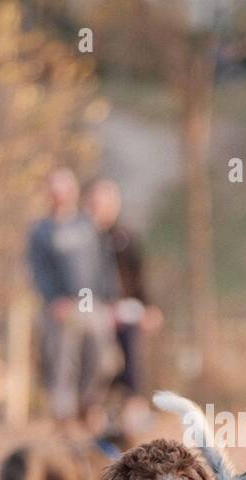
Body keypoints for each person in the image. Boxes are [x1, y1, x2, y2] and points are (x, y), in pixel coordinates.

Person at [26, 168, 121, 430]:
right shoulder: (40, 231)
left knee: (103, 360)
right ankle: (63, 415)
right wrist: (53, 299)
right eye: (54, 190)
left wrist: (111, 299)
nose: (59, 196)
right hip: (60, 307)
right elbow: (38, 270)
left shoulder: (88, 226)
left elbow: (104, 265)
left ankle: (89, 405)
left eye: (64, 190)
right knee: (62, 363)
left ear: (73, 192)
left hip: (94, 306)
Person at [85, 177, 163, 436]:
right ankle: (94, 407)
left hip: (124, 309)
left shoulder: (126, 238)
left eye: (108, 203)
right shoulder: (82, 240)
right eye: (97, 203)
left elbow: (138, 279)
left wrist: (149, 307)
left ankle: (135, 403)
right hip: (91, 308)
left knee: (132, 331)